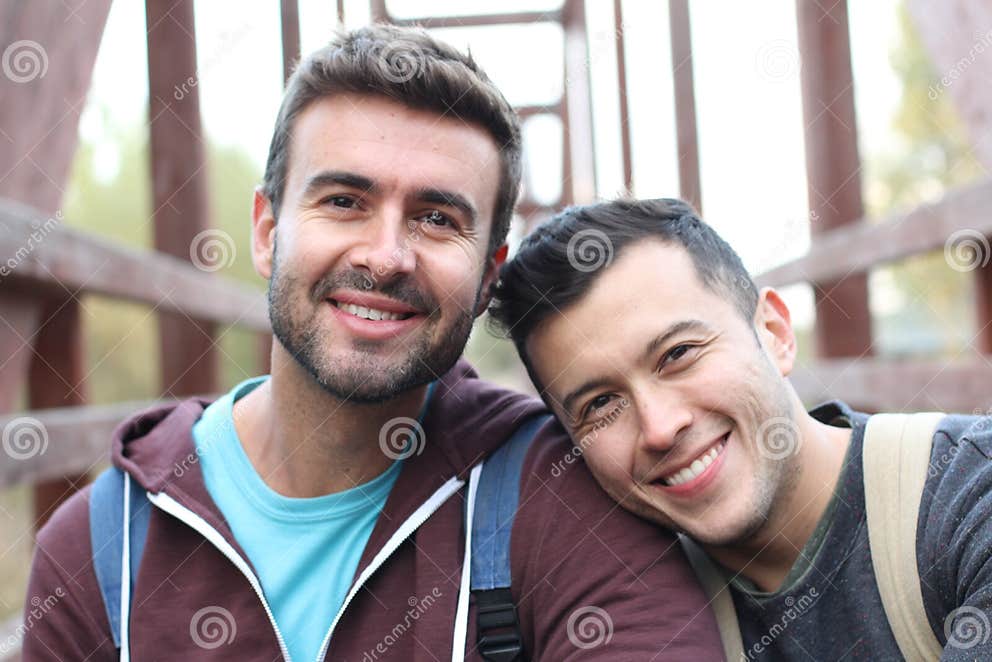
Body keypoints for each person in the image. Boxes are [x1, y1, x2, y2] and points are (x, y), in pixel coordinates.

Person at [21, 29, 722, 661]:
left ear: (487, 276)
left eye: (436, 218)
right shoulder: (102, 546)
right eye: (344, 202)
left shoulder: (563, 497)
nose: (386, 257)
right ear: (267, 232)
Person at [489, 197, 992, 661]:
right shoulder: (622, 600)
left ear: (773, 333)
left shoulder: (968, 493)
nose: (660, 428)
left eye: (678, 354)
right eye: (601, 404)